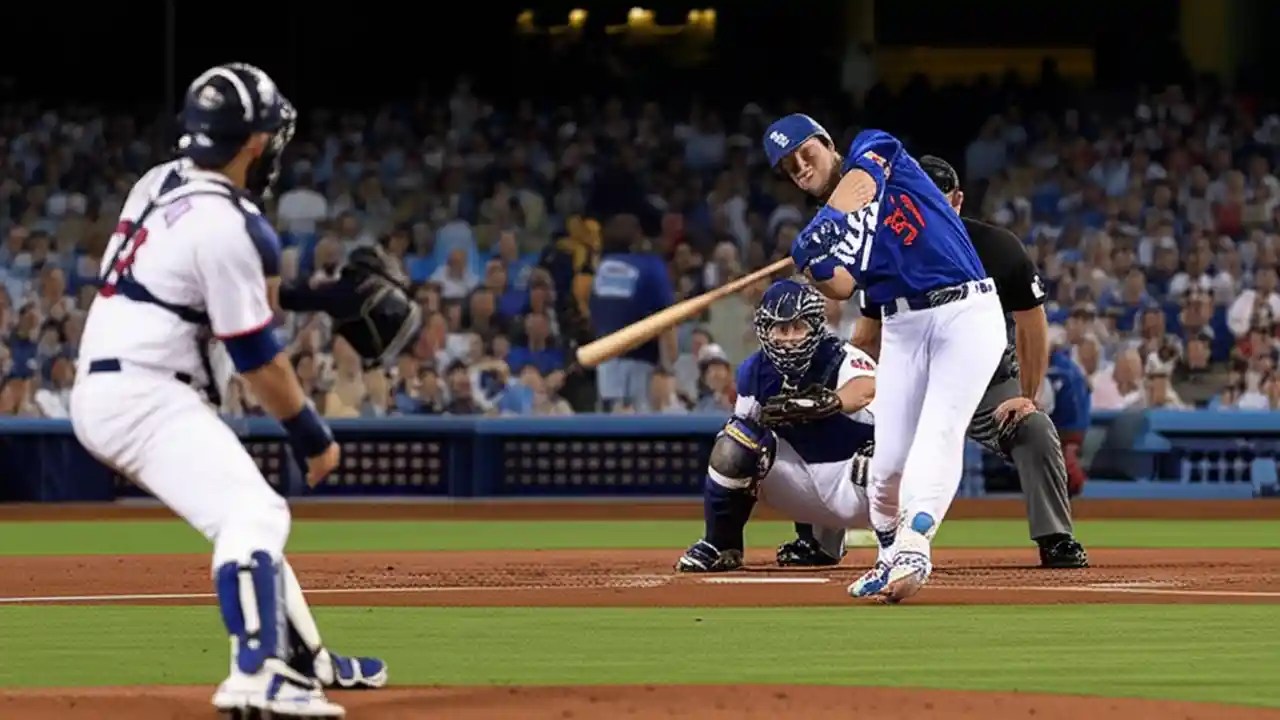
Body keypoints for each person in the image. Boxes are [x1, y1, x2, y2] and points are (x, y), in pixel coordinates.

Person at [69, 63, 383, 719]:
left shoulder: (159, 185)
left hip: (112, 379)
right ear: (253, 144)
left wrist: (317, 297)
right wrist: (312, 437)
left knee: (247, 513)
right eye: (269, 135)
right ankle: (257, 673)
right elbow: (255, 358)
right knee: (257, 516)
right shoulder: (233, 223)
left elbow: (202, 289)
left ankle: (305, 661)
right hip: (146, 393)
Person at [789, 156, 1088, 568]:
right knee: (844, 424)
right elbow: (867, 337)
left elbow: (1031, 323)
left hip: (986, 382)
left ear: (957, 201)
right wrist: (843, 387)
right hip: (913, 378)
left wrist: (1027, 396)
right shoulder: (885, 253)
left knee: (1033, 427)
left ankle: (1057, 537)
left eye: (934, 200)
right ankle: (820, 542)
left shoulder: (996, 248)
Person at [765, 115, 1007, 603]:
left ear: (828, 144)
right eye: (790, 167)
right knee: (887, 464)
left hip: (964, 311)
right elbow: (843, 285)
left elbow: (861, 184)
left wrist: (822, 226)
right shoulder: (833, 230)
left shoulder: (869, 150)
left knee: (938, 431)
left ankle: (917, 546)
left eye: (805, 154)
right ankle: (889, 555)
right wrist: (811, 263)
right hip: (902, 326)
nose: (800, 167)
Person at [674, 280, 882, 576]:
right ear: (765, 330)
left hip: (856, 487)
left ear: (815, 326)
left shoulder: (841, 356)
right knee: (735, 443)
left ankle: (900, 547)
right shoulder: (754, 371)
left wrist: (827, 402)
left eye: (797, 327)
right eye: (781, 329)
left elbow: (867, 388)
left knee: (882, 458)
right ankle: (722, 543)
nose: (789, 339)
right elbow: (743, 437)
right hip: (801, 487)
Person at [588, 215, 675, 411]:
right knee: (644, 431)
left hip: (606, 362)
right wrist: (668, 369)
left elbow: (594, 316)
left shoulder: (602, 268)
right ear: (638, 237)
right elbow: (666, 320)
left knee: (610, 429)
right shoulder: (652, 267)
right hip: (642, 365)